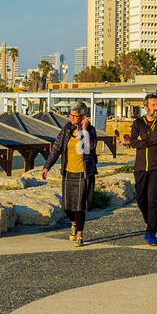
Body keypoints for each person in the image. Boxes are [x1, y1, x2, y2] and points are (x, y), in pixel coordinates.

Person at [41, 102, 98, 247]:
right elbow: (56, 148)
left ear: (83, 117)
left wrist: (84, 130)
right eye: (70, 115)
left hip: (83, 174)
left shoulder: (90, 131)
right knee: (67, 206)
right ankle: (73, 224)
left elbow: (87, 149)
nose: (71, 118)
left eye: (75, 116)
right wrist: (47, 166)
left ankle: (80, 234)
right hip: (68, 172)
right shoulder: (67, 129)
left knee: (79, 206)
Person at [125, 92, 157, 246]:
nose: (156, 107)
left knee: (153, 199)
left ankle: (150, 232)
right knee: (141, 199)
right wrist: (152, 137)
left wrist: (144, 138)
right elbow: (134, 142)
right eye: (153, 105)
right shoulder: (138, 123)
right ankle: (150, 221)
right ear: (145, 107)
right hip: (140, 167)